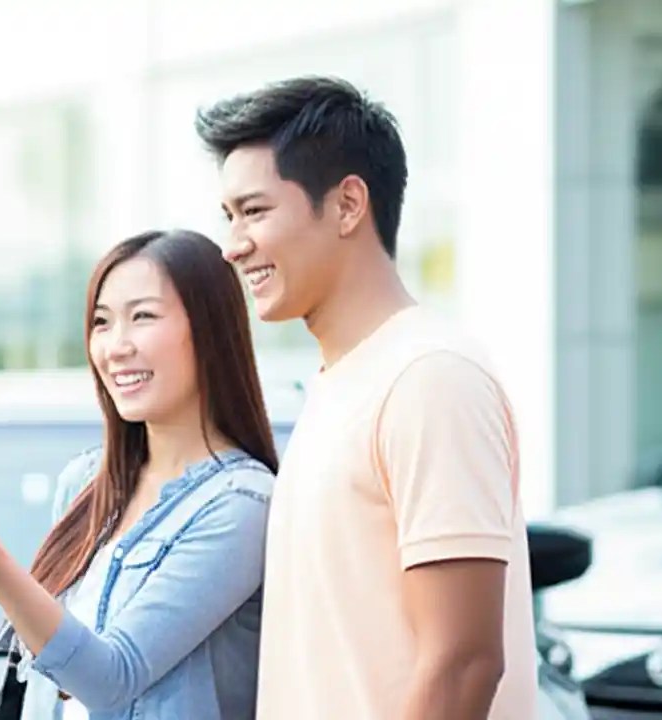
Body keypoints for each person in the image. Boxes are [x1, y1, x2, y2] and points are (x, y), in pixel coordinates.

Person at [194, 75, 538, 720]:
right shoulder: (343, 384)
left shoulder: (429, 377)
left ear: (348, 204)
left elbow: (464, 661)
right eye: (229, 217)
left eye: (255, 211)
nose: (233, 246)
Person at [0, 229, 280, 720]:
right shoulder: (87, 482)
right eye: (102, 322)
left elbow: (112, 678)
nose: (115, 347)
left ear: (209, 330)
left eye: (142, 317)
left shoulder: (241, 503)